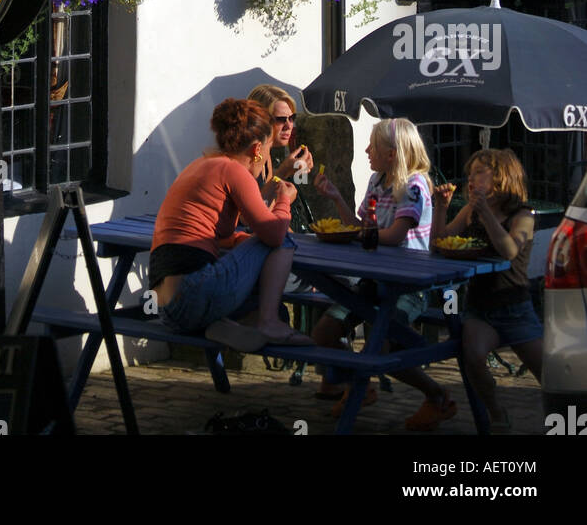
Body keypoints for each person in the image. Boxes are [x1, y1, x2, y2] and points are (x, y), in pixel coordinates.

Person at [312, 117, 457, 430]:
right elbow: (361, 226)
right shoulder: (377, 180)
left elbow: (394, 236)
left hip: (407, 285)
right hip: (373, 280)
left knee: (380, 347)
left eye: (373, 146)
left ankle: (436, 395)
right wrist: (337, 198)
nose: (367, 151)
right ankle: (358, 385)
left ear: (392, 154)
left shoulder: (414, 185)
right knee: (324, 332)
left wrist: (356, 234)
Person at [149, 98, 314, 352]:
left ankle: (222, 324)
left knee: (264, 296)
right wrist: (284, 200)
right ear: (257, 149)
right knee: (285, 241)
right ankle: (268, 322)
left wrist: (245, 241)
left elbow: (217, 236)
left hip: (165, 308)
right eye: (267, 148)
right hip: (194, 292)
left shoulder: (200, 165)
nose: (266, 157)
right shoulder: (234, 171)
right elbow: (275, 234)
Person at [431, 148, 542, 433]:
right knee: (473, 356)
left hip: (515, 308)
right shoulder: (470, 211)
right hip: (480, 307)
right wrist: (440, 208)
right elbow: (439, 243)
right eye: (470, 174)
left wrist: (485, 213)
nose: (471, 179)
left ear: (502, 177)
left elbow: (509, 250)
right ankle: (496, 414)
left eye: (479, 173)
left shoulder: (523, 215)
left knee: (548, 374)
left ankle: (572, 421)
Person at [246, 84, 314, 197]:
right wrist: (283, 172)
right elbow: (256, 206)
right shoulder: (249, 157)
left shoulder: (266, 155)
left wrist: (288, 173)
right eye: (281, 119)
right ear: (261, 119)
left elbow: (267, 202)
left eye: (292, 118)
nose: (289, 126)